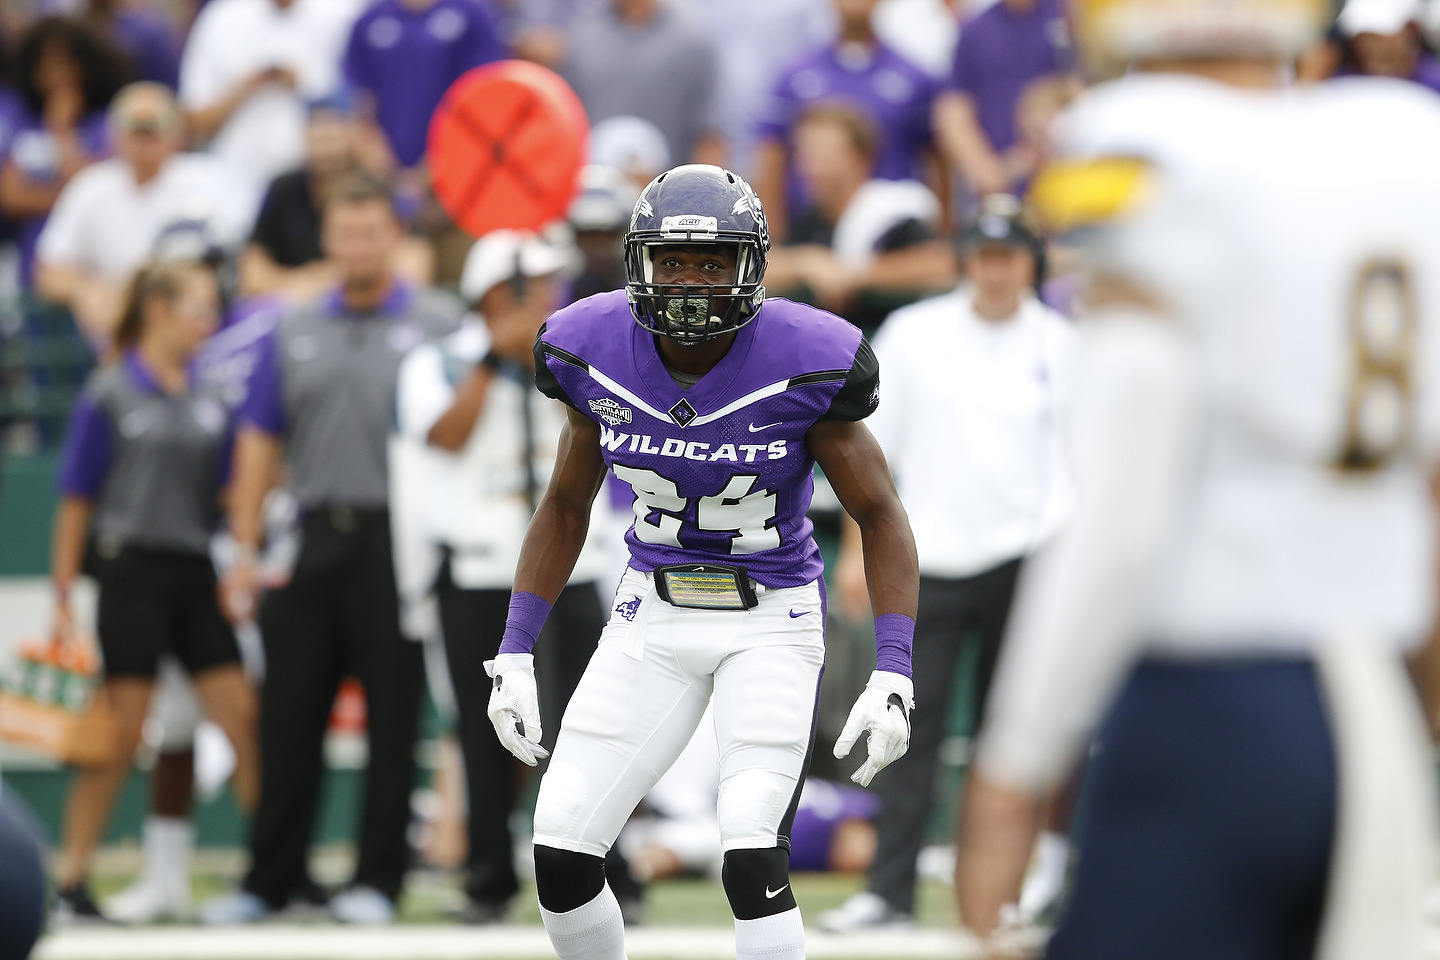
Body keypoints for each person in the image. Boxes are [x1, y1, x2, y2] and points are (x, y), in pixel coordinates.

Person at [955, 1, 1440, 958]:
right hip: (1370, 707)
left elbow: (1123, 514)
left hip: (1213, 705)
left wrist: (1013, 770)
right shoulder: (1403, 143)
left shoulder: (1150, 144)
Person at [493, 163, 919, 960]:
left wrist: (892, 667)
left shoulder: (805, 356)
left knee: (751, 851)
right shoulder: (592, 346)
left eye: (713, 262)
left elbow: (879, 512)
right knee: (558, 849)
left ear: (750, 267)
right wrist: (515, 648)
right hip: (650, 612)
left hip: (771, 619)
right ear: (639, 264)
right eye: (675, 260)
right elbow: (562, 505)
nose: (691, 280)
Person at [205, 173, 462, 925]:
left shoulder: (439, 323)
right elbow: (258, 440)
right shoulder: (290, 327)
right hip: (311, 534)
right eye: (344, 231)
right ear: (326, 240)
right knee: (288, 717)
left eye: (371, 230)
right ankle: (268, 881)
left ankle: (377, 882)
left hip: (400, 541)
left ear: (395, 238)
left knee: (392, 717)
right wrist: (245, 549)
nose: (358, 244)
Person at [822, 197, 1073, 933]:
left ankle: (1006, 896)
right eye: (985, 254)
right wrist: (857, 557)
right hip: (926, 556)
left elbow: (1078, 463)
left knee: (1017, 735)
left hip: (1028, 556)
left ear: (1031, 262)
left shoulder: (1062, 344)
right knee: (904, 721)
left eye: (1011, 255)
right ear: (967, 258)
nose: (996, 270)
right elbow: (874, 451)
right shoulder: (915, 334)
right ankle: (889, 893)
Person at [395, 230, 630, 923]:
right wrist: (494, 360)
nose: (552, 295)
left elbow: (601, 433)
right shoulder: (437, 359)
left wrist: (548, 362)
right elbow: (439, 435)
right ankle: (487, 879)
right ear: (494, 292)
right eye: (537, 284)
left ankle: (605, 872)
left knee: (593, 724)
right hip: (477, 567)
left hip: (570, 563)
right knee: (482, 731)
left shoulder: (577, 355)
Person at [48, 259, 260, 924]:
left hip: (195, 571)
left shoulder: (208, 395)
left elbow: (230, 491)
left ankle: (273, 871)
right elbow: (76, 499)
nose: (209, 322)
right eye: (198, 309)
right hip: (129, 571)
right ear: (159, 310)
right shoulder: (109, 391)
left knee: (242, 718)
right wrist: (61, 593)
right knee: (120, 732)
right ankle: (72, 878)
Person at [35, 83, 253, 345]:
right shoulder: (91, 187)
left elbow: (244, 258)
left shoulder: (210, 180)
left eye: (153, 132)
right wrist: (85, 289)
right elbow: (48, 270)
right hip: (122, 327)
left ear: (177, 134)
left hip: (199, 320)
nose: (144, 142)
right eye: (135, 133)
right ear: (115, 137)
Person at [753, 0, 939, 241]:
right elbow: (771, 153)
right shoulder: (795, 74)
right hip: (810, 226)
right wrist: (772, 237)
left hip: (893, 234)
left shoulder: (915, 76)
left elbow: (936, 158)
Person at [764, 103, 955, 334]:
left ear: (862, 159)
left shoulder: (892, 212)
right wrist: (805, 262)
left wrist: (852, 273)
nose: (812, 168)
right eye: (806, 154)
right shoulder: (811, 218)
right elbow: (762, 269)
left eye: (824, 155)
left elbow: (940, 264)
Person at [0, 17, 130, 290]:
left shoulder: (105, 122)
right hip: (30, 264)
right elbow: (10, 196)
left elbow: (97, 189)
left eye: (65, 62)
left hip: (91, 272)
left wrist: (62, 131)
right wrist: (68, 192)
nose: (55, 73)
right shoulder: (21, 120)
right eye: (45, 63)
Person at [179, 0, 362, 193]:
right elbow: (192, 119)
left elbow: (361, 110)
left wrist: (303, 83)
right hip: (235, 178)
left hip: (313, 185)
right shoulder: (221, 17)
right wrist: (249, 85)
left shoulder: (342, 15)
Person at [932, 0, 1077, 198]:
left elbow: (1091, 86)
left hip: (1066, 173)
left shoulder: (1068, 16)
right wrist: (986, 172)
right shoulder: (976, 31)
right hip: (1007, 182)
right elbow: (954, 110)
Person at [342, 0, 506, 173]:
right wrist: (373, 146)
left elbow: (483, 91)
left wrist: (442, 154)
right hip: (385, 164)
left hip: (454, 159)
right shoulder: (371, 18)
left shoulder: (473, 13)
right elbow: (358, 90)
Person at [560, 0, 726, 168]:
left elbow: (709, 136)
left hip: (666, 187)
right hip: (593, 186)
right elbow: (565, 129)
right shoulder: (580, 39)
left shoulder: (693, 43)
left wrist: (698, 191)